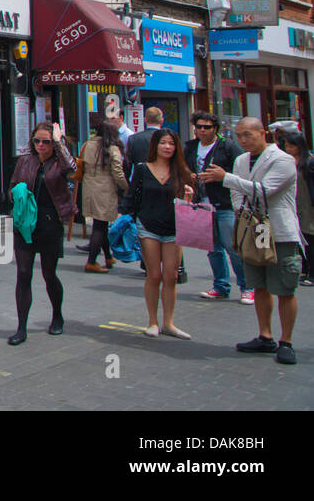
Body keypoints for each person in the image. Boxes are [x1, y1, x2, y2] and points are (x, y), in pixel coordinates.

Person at [201, 117, 303, 365]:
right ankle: (265, 335)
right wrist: (241, 212)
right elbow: (237, 193)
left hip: (279, 231)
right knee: (260, 284)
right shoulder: (241, 160)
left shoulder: (283, 160)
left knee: (284, 287)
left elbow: (265, 190)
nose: (244, 140)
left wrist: (226, 179)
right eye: (239, 135)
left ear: (262, 133)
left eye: (248, 134)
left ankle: (286, 341)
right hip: (255, 230)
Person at [119, 128, 197, 339]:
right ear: (155, 145)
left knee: (171, 276)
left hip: (174, 228)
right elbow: (132, 196)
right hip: (148, 227)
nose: (167, 147)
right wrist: (122, 218)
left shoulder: (182, 171)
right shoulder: (143, 169)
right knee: (154, 275)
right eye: (163, 143)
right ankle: (152, 322)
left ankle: (169, 323)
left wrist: (190, 193)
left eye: (171, 143)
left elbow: (193, 199)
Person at [5, 122, 75, 345]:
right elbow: (13, 185)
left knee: (48, 274)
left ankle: (57, 316)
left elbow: (72, 170)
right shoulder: (25, 160)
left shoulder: (59, 161)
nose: (41, 146)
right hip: (25, 223)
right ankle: (21, 327)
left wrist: (59, 142)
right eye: (37, 141)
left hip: (49, 222)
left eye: (46, 141)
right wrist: (16, 196)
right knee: (23, 273)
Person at [184, 111, 250, 303]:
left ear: (215, 129)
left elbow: (242, 172)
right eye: (199, 127)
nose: (202, 130)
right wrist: (189, 176)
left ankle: (247, 287)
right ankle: (220, 285)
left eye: (207, 127)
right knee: (212, 248)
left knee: (232, 247)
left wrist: (222, 176)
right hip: (202, 203)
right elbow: (183, 167)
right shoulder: (190, 147)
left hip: (224, 203)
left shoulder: (227, 147)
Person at [78, 118, 128, 272]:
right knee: (100, 226)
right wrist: (126, 188)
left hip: (88, 188)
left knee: (101, 224)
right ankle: (91, 261)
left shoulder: (88, 145)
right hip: (105, 190)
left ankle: (108, 257)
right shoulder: (112, 149)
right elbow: (117, 173)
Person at [279, 132, 314, 287]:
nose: (289, 149)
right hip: (293, 204)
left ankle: (312, 273)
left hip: (308, 204)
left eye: (292, 146)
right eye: (287, 146)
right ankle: (304, 270)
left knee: (310, 239)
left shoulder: (309, 162)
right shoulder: (287, 162)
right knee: (299, 239)